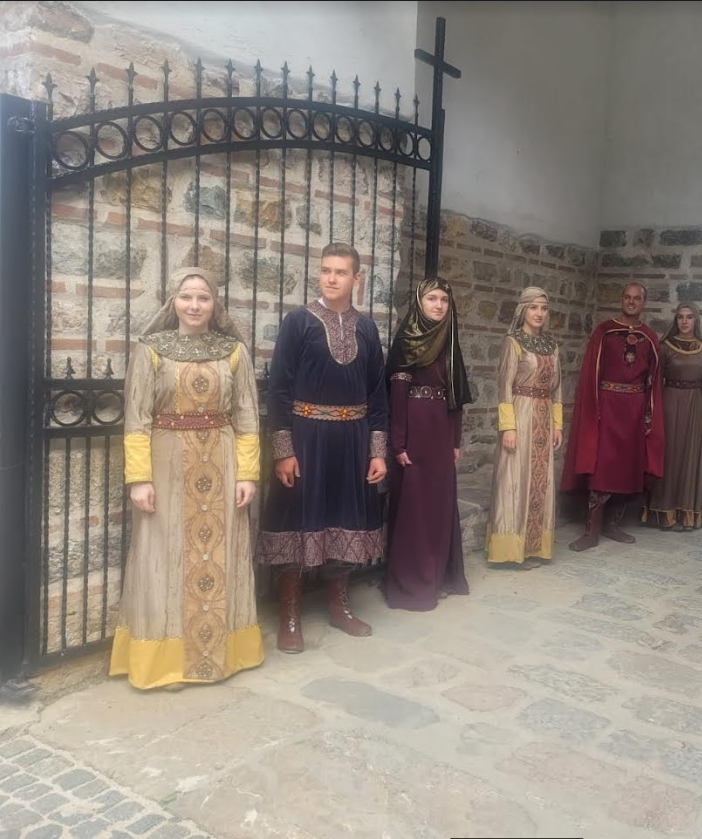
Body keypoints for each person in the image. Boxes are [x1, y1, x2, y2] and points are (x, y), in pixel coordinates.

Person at [112, 266, 264, 690]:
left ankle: (223, 654)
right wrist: (139, 479)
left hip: (223, 463)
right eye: (186, 297)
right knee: (161, 555)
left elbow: (248, 416)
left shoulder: (233, 351)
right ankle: (162, 661)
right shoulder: (151, 350)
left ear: (214, 304)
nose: (194, 305)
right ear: (172, 302)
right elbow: (137, 419)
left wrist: (248, 473)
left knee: (223, 552)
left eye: (203, 298)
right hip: (165, 467)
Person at [256, 243, 388, 653]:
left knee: (343, 517)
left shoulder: (367, 328)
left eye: (341, 272)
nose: (331, 278)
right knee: (298, 519)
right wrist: (283, 450)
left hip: (351, 439)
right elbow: (278, 388)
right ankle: (290, 613)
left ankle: (339, 607)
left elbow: (378, 394)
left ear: (356, 278)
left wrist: (377, 450)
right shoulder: (298, 322)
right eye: (326, 271)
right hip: (306, 437)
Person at [384, 276, 474, 609]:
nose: (438, 306)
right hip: (414, 434)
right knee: (415, 508)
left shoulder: (449, 340)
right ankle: (411, 580)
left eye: (444, 300)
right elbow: (396, 392)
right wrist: (399, 443)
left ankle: (438, 575)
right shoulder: (408, 339)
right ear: (420, 303)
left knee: (439, 506)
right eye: (432, 299)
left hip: (440, 432)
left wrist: (455, 439)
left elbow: (456, 396)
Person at [561, 283, 664, 551]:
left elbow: (653, 380)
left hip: (635, 410)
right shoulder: (604, 332)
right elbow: (590, 374)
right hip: (607, 406)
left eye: (637, 298)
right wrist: (592, 409)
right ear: (621, 300)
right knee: (602, 465)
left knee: (626, 467)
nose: (631, 302)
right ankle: (591, 530)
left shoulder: (650, 338)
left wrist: (649, 415)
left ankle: (612, 525)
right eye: (627, 297)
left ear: (644, 303)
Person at [486, 287, 564, 568]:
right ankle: (508, 550)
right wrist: (508, 427)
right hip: (519, 415)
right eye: (534, 308)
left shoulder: (552, 345)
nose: (539, 313)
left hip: (543, 417)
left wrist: (557, 425)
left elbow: (557, 388)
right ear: (523, 310)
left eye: (544, 308)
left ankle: (535, 547)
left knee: (540, 481)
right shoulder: (513, 342)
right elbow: (504, 386)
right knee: (514, 479)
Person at [642, 303, 702, 531]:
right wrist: (652, 413)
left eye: (689, 317)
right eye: (680, 317)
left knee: (690, 458)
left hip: (695, 406)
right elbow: (654, 382)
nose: (684, 321)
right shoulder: (665, 347)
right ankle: (663, 514)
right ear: (676, 320)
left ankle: (686, 513)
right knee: (669, 458)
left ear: (696, 321)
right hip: (670, 405)